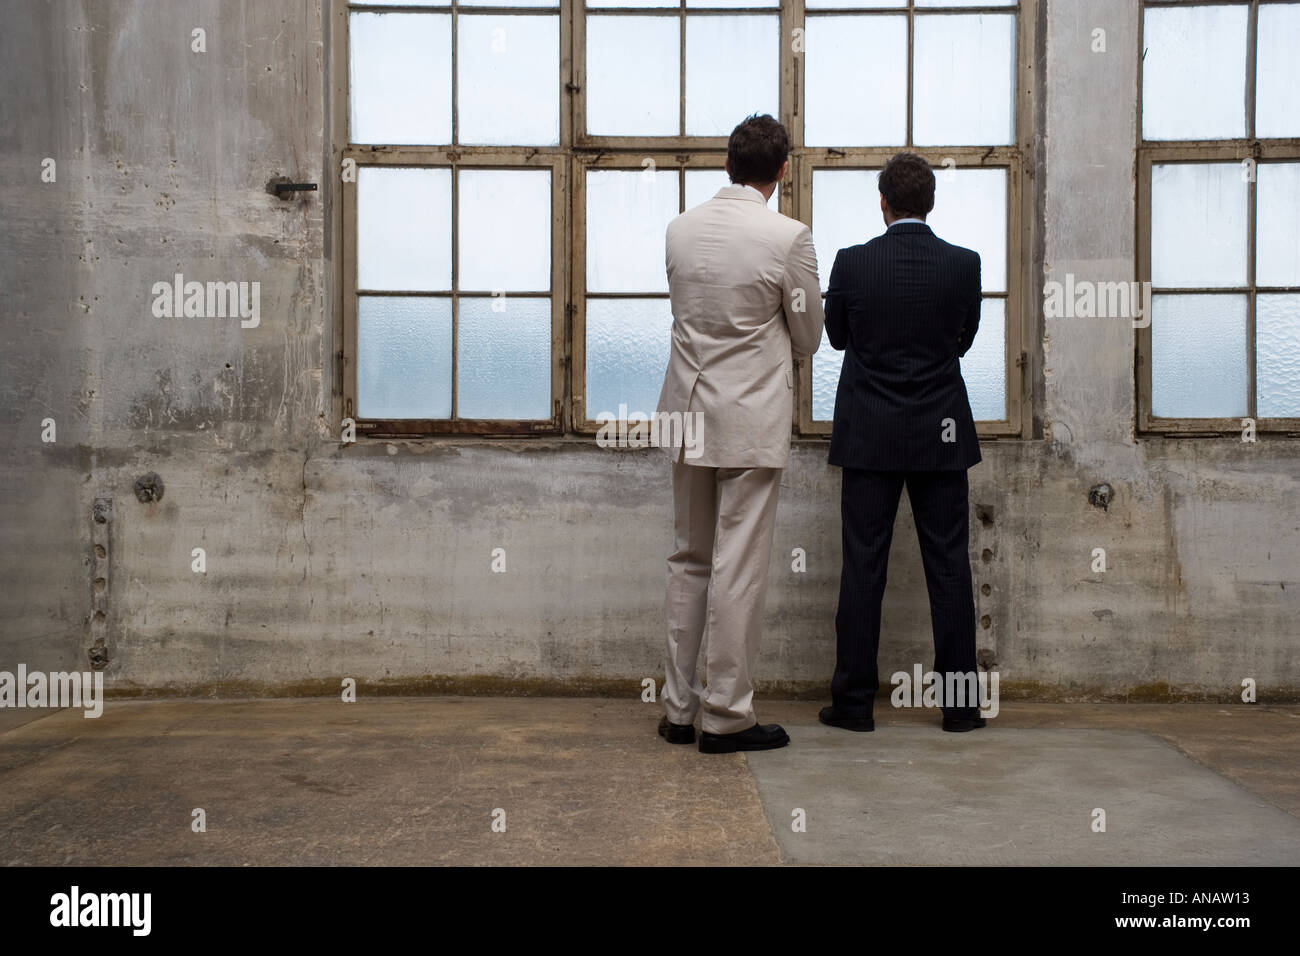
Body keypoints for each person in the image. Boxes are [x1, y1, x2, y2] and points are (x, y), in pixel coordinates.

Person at [656, 114, 825, 754]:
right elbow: (808, 334)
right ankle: (727, 716)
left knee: (688, 558)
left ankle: (676, 710)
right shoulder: (789, 236)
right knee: (738, 564)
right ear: (782, 171)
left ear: (728, 164)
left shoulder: (679, 229)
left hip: (685, 410)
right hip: (749, 418)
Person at [819, 151, 987, 734]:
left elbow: (837, 338)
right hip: (941, 432)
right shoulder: (964, 265)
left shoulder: (853, 263)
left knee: (863, 567)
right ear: (931, 203)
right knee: (950, 570)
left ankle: (854, 705)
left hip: (870, 433)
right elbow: (962, 342)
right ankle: (961, 709)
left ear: (883, 203)